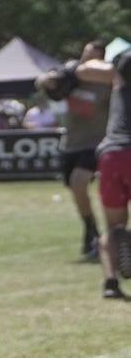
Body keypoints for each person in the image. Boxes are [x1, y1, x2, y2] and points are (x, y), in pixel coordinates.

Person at [60, 49, 131, 298]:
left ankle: (110, 283)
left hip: (111, 154)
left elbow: (82, 69)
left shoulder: (119, 76)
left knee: (113, 227)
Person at [37, 42, 110, 261]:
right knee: (75, 190)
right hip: (70, 143)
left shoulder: (106, 83)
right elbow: (41, 82)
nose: (86, 61)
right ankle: (90, 229)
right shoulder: (70, 76)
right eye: (85, 55)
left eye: (92, 57)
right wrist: (49, 79)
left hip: (95, 143)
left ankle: (109, 236)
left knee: (79, 182)